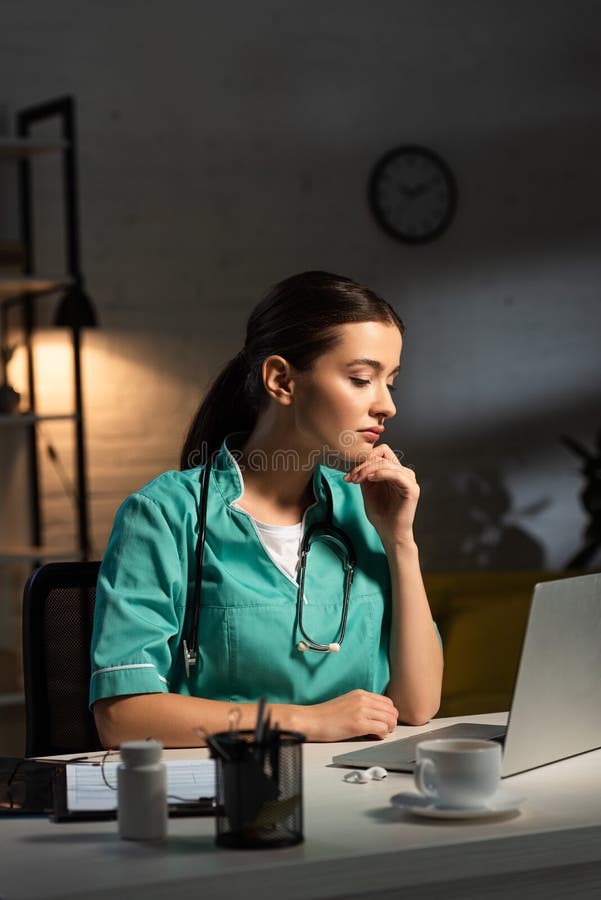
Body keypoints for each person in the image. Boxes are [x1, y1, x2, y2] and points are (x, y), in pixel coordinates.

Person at [91, 271, 443, 747]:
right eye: (361, 379)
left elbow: (418, 706)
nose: (386, 406)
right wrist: (308, 721)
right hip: (235, 786)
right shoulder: (165, 514)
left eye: (391, 383)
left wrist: (400, 541)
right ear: (281, 380)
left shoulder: (366, 506)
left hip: (358, 781)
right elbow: (122, 717)